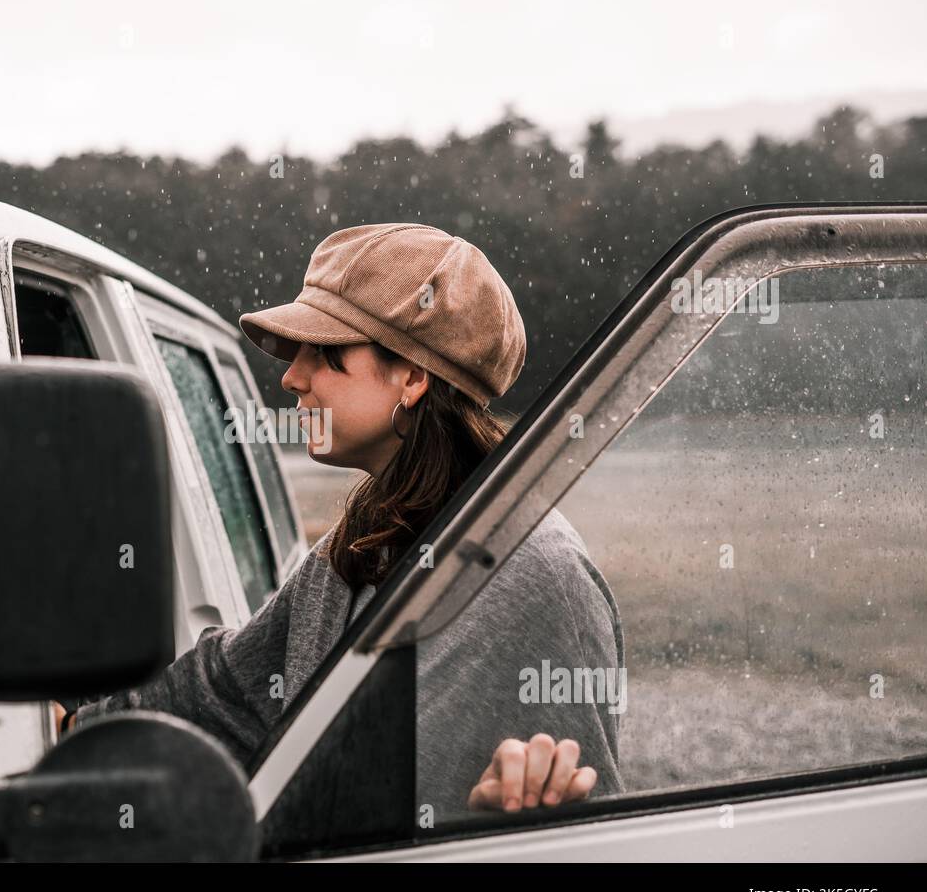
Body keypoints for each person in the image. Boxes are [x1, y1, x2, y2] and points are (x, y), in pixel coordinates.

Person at [58, 223, 624, 817]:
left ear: (411, 376)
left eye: (321, 351)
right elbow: (226, 691)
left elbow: (587, 830)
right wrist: (77, 730)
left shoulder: (540, 575)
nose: (290, 377)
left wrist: (496, 826)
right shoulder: (356, 547)